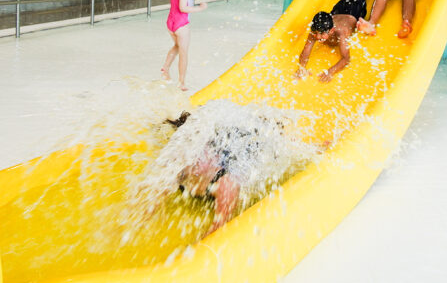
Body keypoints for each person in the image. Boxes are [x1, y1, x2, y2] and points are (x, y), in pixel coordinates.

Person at [136, 100, 318, 235]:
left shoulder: (225, 183)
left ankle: (308, 143)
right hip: (225, 145)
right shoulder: (181, 164)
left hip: (246, 148)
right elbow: (151, 198)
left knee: (268, 143)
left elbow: (219, 228)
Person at [296, 0, 375, 83]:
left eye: (322, 34)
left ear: (332, 30)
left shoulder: (341, 33)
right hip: (337, 12)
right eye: (317, 33)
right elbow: (306, 51)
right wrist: (301, 68)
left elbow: (346, 58)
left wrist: (331, 71)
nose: (318, 37)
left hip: (352, 14)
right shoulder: (317, 29)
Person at [161, 0, 207, 91]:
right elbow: (183, 8)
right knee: (183, 53)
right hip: (181, 25)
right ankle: (181, 82)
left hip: (171, 23)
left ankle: (165, 68)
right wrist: (200, 8)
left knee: (176, 45)